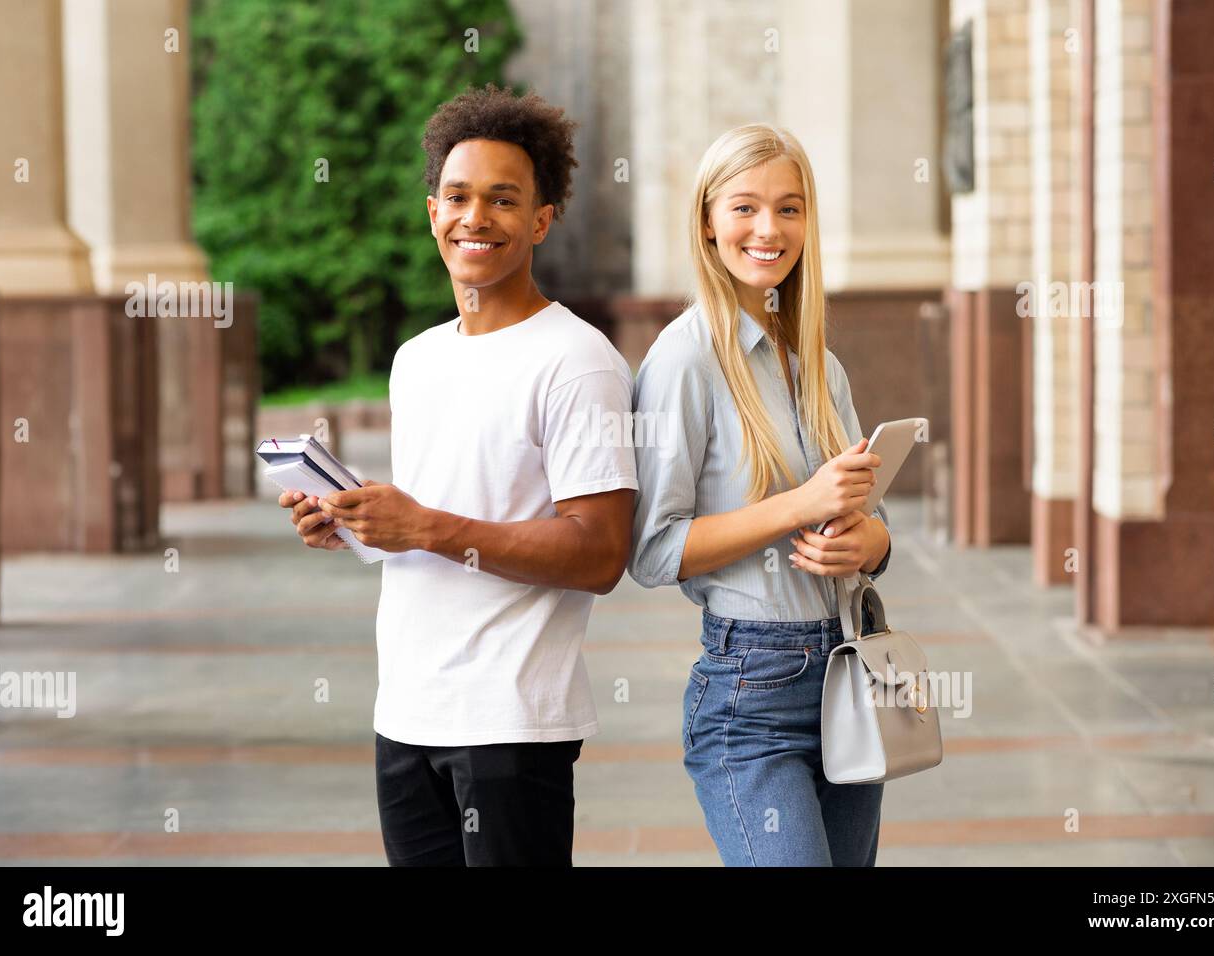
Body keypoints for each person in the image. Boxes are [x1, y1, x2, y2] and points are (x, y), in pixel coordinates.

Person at [278, 85, 637, 866]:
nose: (477, 217)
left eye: (503, 200)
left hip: (508, 721)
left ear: (541, 220)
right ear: (433, 212)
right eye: (459, 196)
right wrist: (355, 524)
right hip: (406, 712)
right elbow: (434, 523)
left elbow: (600, 553)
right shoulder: (419, 359)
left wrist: (427, 527)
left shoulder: (578, 363)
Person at [628, 124, 892, 867]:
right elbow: (652, 552)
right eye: (744, 208)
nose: (768, 229)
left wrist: (870, 540)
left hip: (846, 668)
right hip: (752, 695)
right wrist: (798, 506)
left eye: (789, 207)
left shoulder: (818, 362)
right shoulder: (683, 360)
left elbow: (872, 521)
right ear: (708, 224)